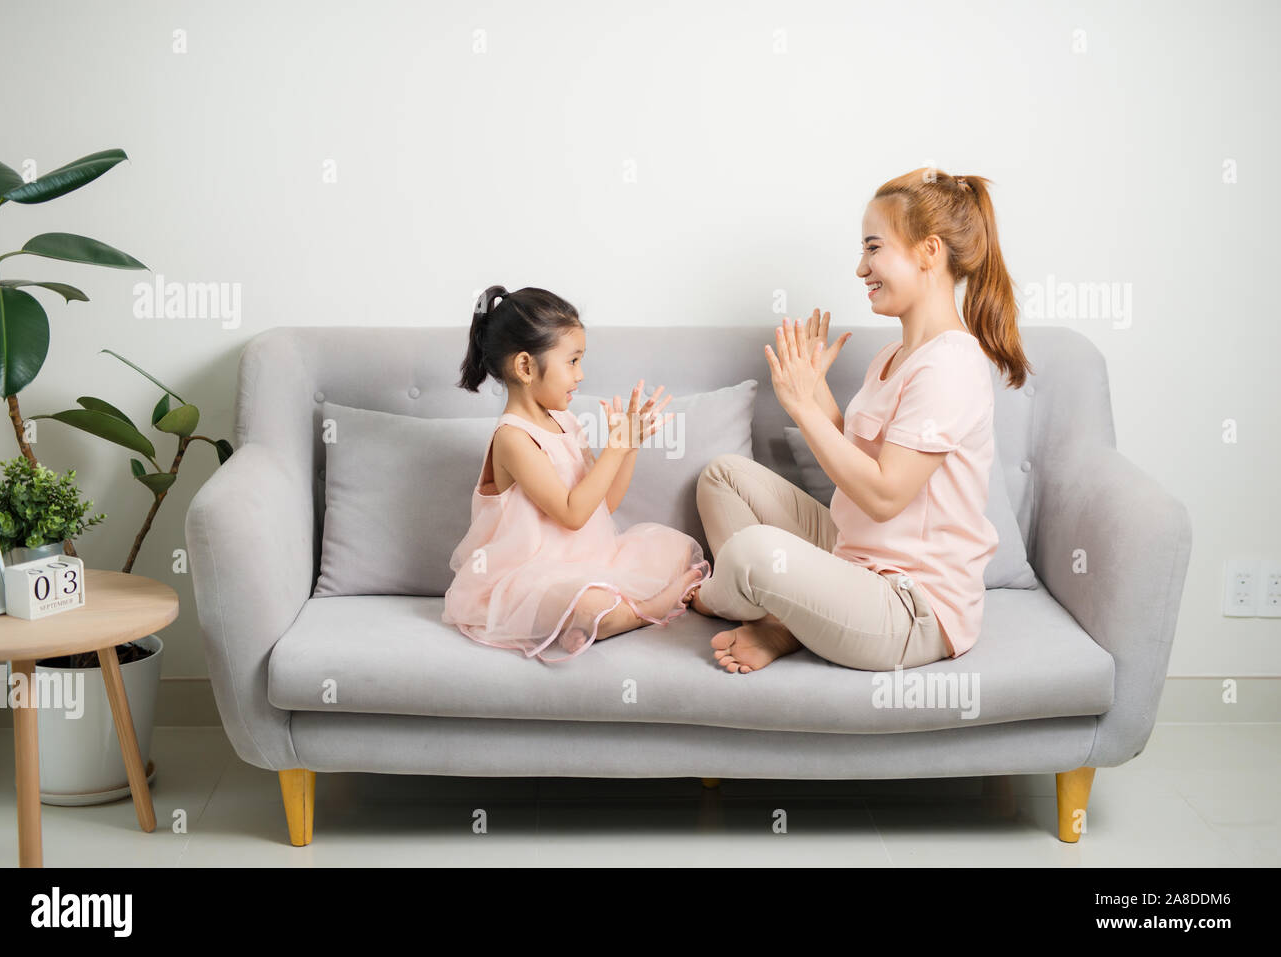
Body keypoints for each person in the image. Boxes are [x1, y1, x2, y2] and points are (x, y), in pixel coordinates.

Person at [682, 169, 1033, 674]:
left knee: (752, 552)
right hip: (856, 558)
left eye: (873, 248)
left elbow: (886, 495)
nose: (860, 268)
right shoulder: (895, 355)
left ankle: (718, 599)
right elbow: (859, 469)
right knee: (723, 476)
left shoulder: (951, 363)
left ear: (928, 252)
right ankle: (791, 617)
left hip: (910, 607)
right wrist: (818, 399)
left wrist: (803, 408)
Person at [443, 284, 710, 662]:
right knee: (587, 604)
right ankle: (644, 608)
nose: (580, 374)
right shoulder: (513, 438)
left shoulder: (566, 422)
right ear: (525, 366)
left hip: (594, 560)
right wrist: (614, 447)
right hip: (532, 578)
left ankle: (591, 623)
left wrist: (628, 446)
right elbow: (571, 514)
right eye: (572, 362)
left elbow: (602, 506)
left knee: (676, 549)